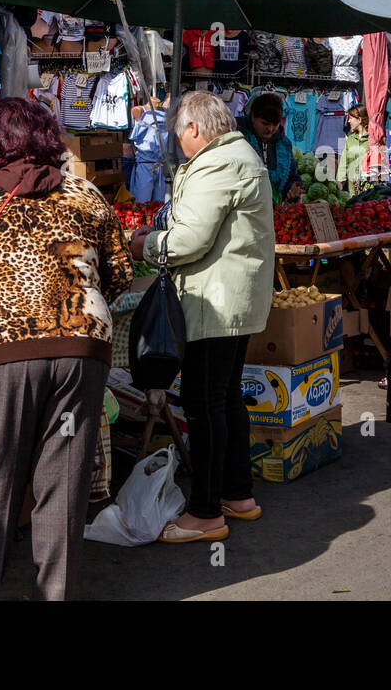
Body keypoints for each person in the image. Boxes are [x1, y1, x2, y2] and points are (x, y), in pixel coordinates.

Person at [0, 98, 132, 600]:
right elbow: (118, 276)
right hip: (80, 351)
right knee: (63, 488)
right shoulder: (87, 195)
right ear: (49, 138)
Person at [130, 92, 274, 540]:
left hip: (215, 300)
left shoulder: (217, 163)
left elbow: (190, 239)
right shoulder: (238, 153)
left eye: (178, 132)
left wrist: (146, 245)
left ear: (194, 128)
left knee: (204, 402)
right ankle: (238, 494)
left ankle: (207, 512)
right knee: (226, 398)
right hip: (234, 299)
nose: (178, 141)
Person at [237, 92, 301, 203]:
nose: (270, 129)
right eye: (265, 123)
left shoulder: (284, 145)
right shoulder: (238, 138)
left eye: (275, 124)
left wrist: (292, 187)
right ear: (253, 117)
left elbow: (292, 177)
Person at [336, 103, 370, 193]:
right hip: (352, 191)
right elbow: (343, 163)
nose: (348, 121)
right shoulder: (350, 140)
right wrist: (339, 183)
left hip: (369, 192)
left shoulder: (373, 140)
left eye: (351, 118)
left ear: (359, 119)